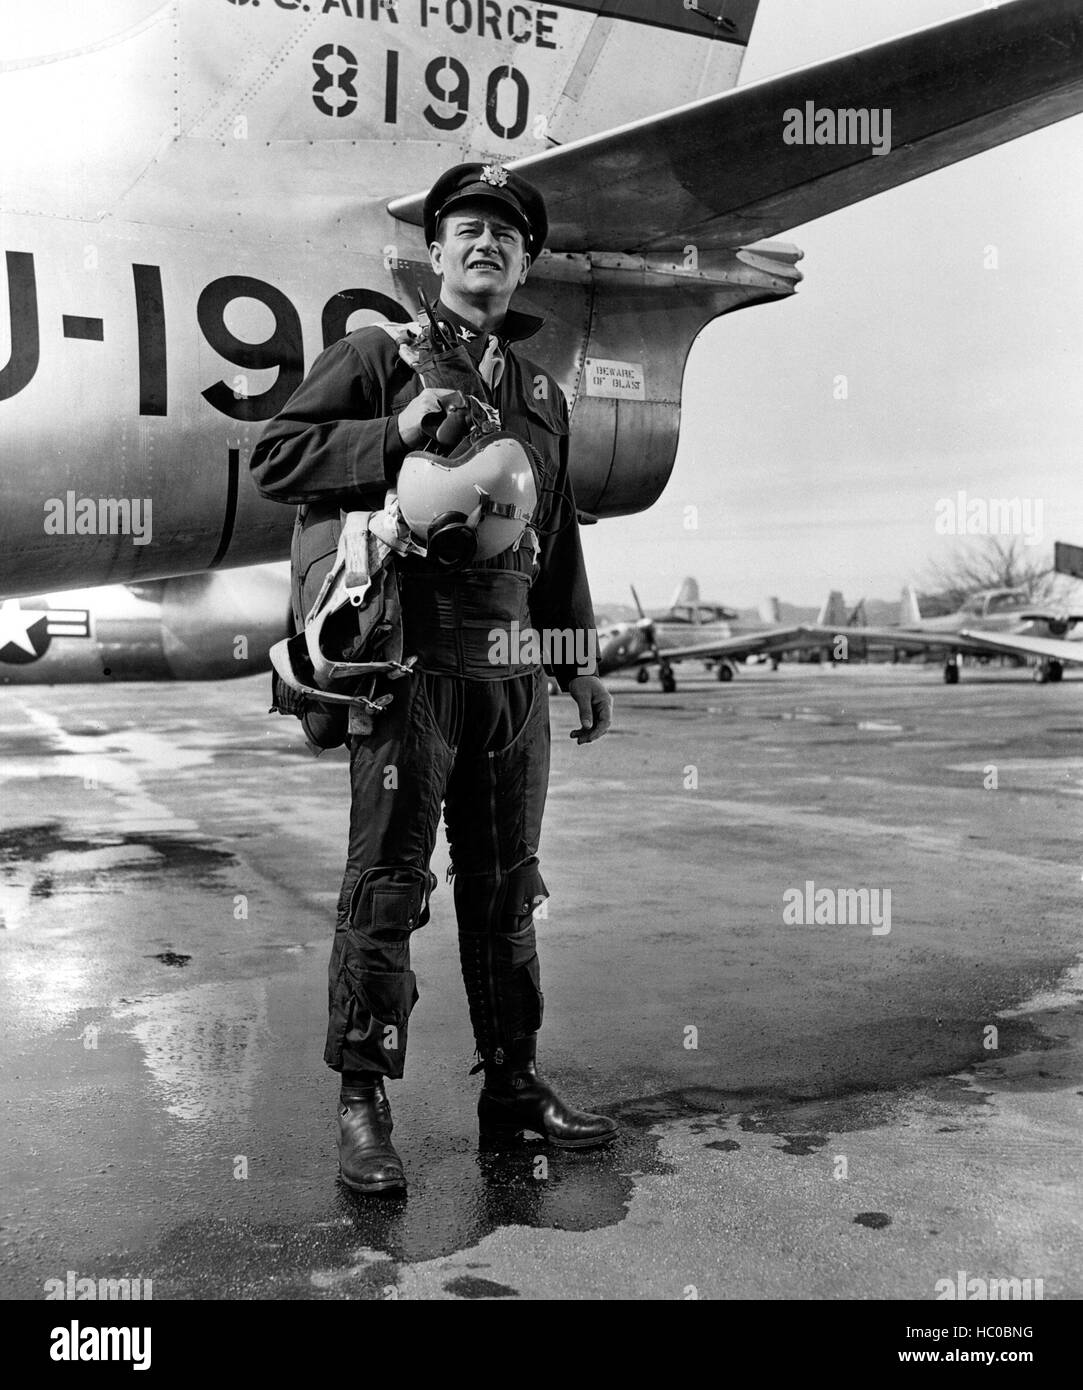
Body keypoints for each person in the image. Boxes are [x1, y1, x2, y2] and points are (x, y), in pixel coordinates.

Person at [251, 162, 615, 1195]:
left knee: (508, 892)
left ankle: (514, 1087)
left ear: (526, 260)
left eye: (506, 234)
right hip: (410, 661)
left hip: (508, 671)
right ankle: (364, 1103)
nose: (486, 246)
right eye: (467, 229)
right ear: (437, 252)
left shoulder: (543, 397)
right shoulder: (379, 356)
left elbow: (555, 540)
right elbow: (277, 457)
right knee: (388, 886)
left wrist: (576, 662)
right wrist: (395, 432)